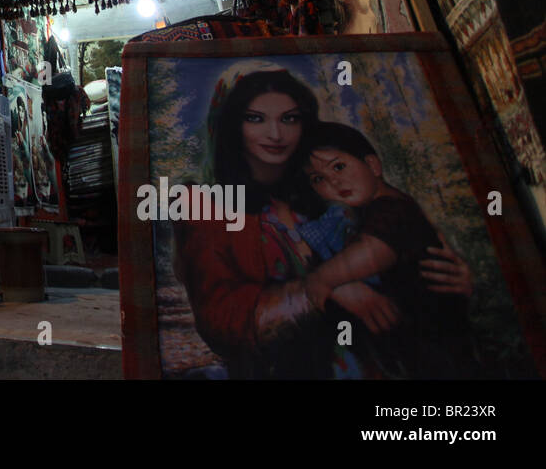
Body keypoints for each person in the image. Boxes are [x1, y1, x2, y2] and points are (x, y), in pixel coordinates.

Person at [172, 63, 473, 379]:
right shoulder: (204, 204)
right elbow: (221, 321)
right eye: (255, 118)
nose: (276, 134)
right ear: (231, 124)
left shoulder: (325, 186)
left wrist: (447, 280)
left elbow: (397, 242)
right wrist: (321, 293)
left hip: (392, 364)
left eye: (289, 118)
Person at [297, 122, 478, 378]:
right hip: (423, 342)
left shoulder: (392, 211)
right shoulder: (368, 213)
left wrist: (322, 280)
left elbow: (368, 253)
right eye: (318, 179)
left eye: (338, 166)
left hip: (436, 342)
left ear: (373, 165)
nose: (333, 181)